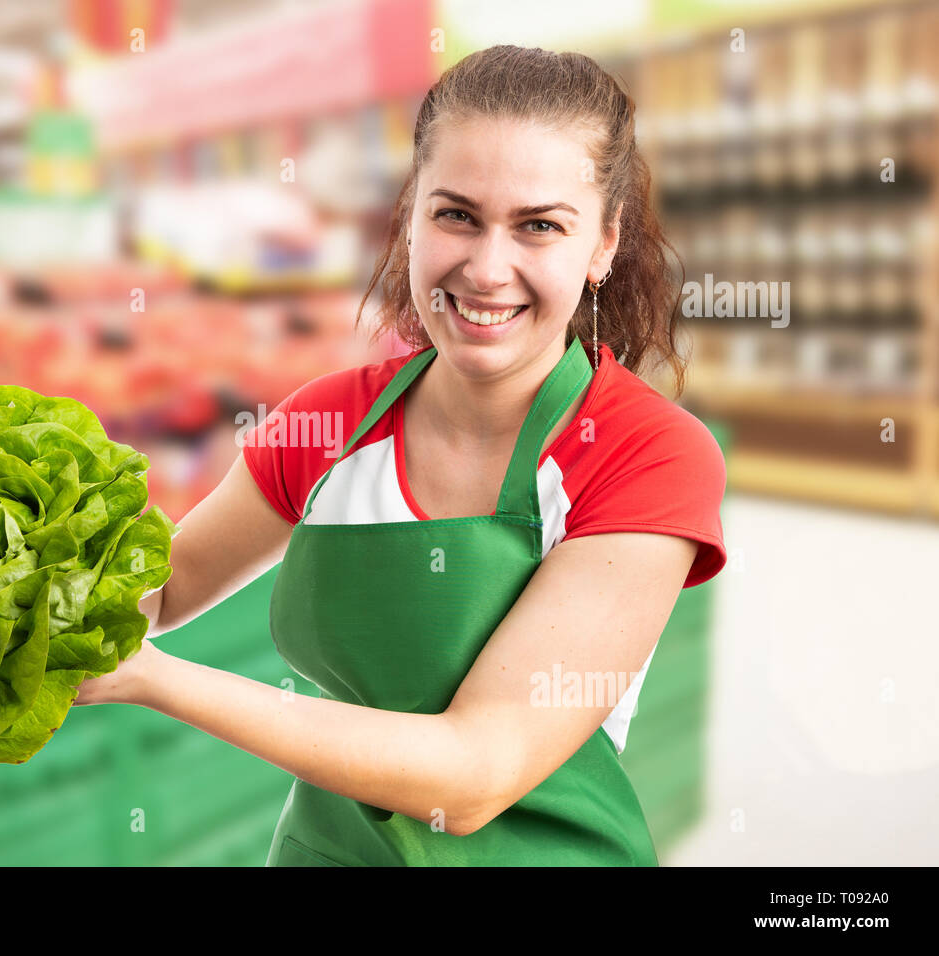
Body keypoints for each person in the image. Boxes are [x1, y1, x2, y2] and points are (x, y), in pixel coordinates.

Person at [72, 44, 727, 866]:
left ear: (602, 245)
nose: (488, 269)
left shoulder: (647, 455)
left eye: (540, 226)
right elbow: (159, 591)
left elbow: (475, 771)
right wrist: (12, 569)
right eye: (456, 214)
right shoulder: (331, 423)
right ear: (412, 214)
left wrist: (154, 679)